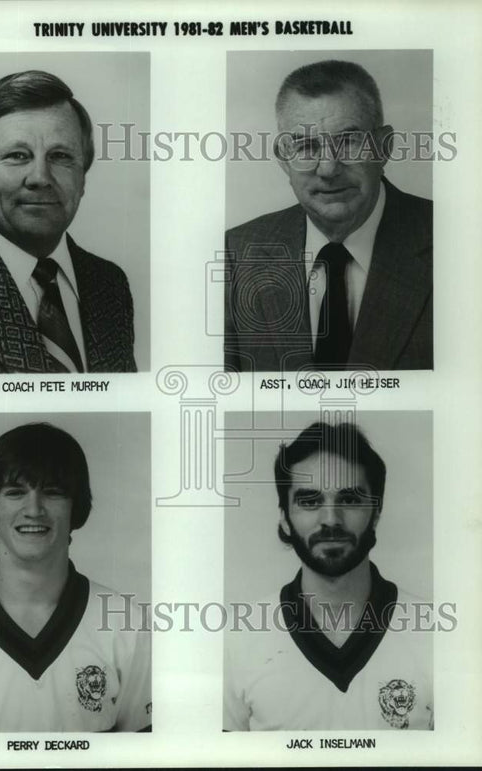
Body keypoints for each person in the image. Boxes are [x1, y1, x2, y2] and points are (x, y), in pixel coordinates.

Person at [0, 423, 151, 732]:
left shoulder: (126, 623)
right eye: (15, 493)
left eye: (52, 493)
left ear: (75, 508)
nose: (34, 509)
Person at [225, 59, 432, 372]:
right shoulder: (236, 254)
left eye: (348, 142)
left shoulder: (459, 241)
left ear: (384, 146)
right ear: (284, 160)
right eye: (307, 147)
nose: (328, 169)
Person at [224, 421, 433, 731]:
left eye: (349, 500)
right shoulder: (236, 642)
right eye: (310, 501)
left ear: (376, 513)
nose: (331, 519)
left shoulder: (438, 637)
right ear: (284, 516)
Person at [0, 70, 137, 373]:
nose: (41, 178)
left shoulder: (110, 284)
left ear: (83, 178)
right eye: (18, 155)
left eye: (60, 156)